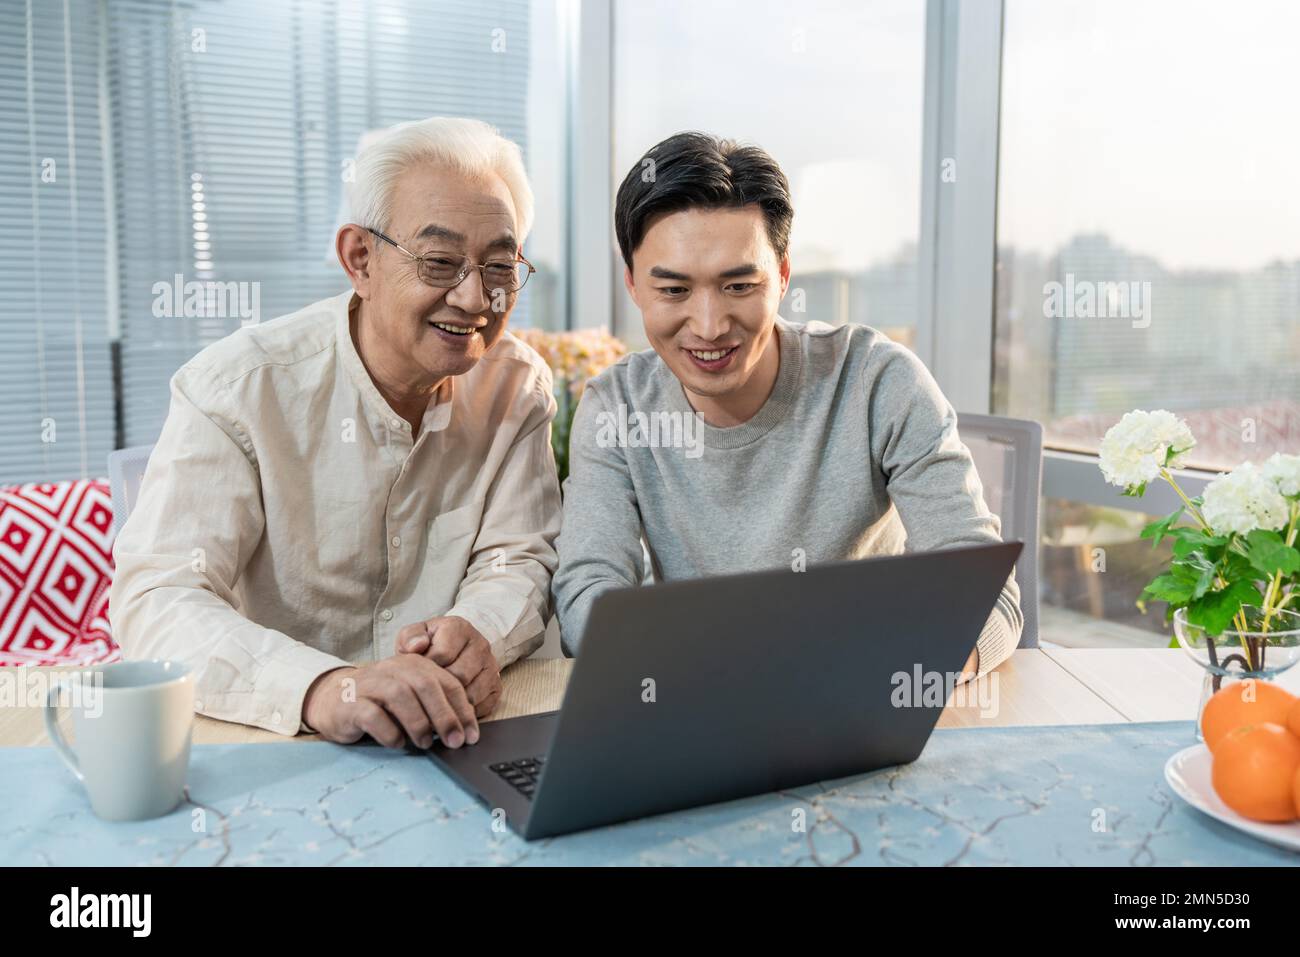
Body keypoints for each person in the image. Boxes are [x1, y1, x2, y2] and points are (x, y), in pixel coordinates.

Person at [111, 117, 562, 748]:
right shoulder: (236, 389)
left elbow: (517, 555)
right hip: (278, 738)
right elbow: (159, 597)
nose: (475, 298)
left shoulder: (516, 386)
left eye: (499, 265)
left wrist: (478, 630)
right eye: (439, 262)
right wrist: (322, 688)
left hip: (456, 732)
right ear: (360, 259)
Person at [553, 131, 1022, 681]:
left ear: (781, 277)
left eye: (739, 285)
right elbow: (587, 598)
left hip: (864, 694)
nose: (708, 326)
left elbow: (985, 595)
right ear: (634, 286)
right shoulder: (618, 408)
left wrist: (913, 667)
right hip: (699, 695)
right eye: (674, 291)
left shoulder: (877, 380)